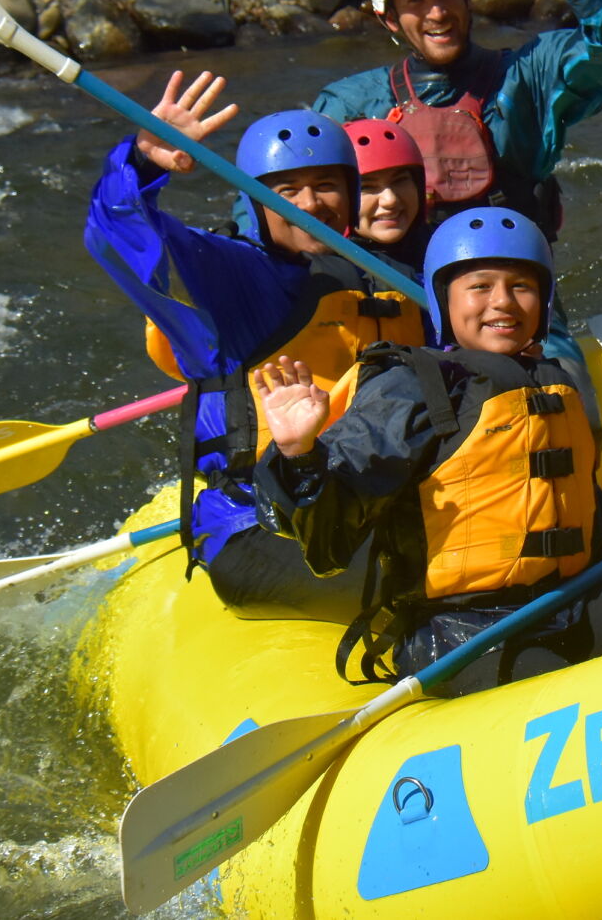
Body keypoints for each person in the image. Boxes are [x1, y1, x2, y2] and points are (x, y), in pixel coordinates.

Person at [252, 208, 602, 694]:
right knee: (555, 683)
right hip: (459, 633)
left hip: (563, 603)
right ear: (444, 300)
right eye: (479, 287)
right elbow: (332, 533)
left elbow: (592, 522)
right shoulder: (411, 386)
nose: (502, 302)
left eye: (521, 286)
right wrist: (300, 454)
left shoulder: (554, 385)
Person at [84, 72, 426, 619]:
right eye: (286, 192)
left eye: (327, 185)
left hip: (362, 509)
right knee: (434, 580)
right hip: (260, 526)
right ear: (257, 204)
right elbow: (115, 239)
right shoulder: (236, 280)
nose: (311, 204)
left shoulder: (393, 283)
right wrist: (144, 163)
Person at [312, 0, 602, 375]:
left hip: (514, 305)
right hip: (401, 299)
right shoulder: (351, 103)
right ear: (389, 18)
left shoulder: (530, 75)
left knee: (567, 395)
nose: (437, 13)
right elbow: (285, 205)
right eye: (416, 1)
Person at [345, 117, 429, 274]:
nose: (390, 200)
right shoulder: (330, 273)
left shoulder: (449, 249)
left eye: (400, 181)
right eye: (367, 187)